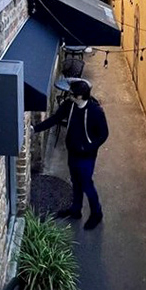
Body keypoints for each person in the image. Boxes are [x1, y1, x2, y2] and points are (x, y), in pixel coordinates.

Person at [33, 79, 109, 230]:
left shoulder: (95, 111)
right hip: (72, 152)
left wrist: (88, 147)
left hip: (86, 156)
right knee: (75, 181)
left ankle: (96, 213)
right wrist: (35, 129)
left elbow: (104, 134)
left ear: (79, 96)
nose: (69, 96)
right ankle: (76, 209)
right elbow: (55, 119)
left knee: (86, 184)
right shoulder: (69, 105)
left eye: (71, 94)